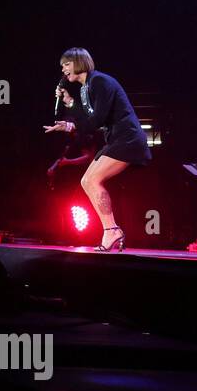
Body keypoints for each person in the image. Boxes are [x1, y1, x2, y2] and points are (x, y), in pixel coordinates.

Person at [43, 48, 151, 251]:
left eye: (66, 64)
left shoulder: (100, 82)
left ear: (79, 62)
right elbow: (89, 118)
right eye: (62, 65)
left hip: (127, 138)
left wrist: (70, 126)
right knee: (86, 181)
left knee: (92, 179)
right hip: (116, 139)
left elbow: (97, 120)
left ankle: (111, 230)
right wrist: (69, 103)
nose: (63, 69)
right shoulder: (85, 88)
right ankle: (112, 230)